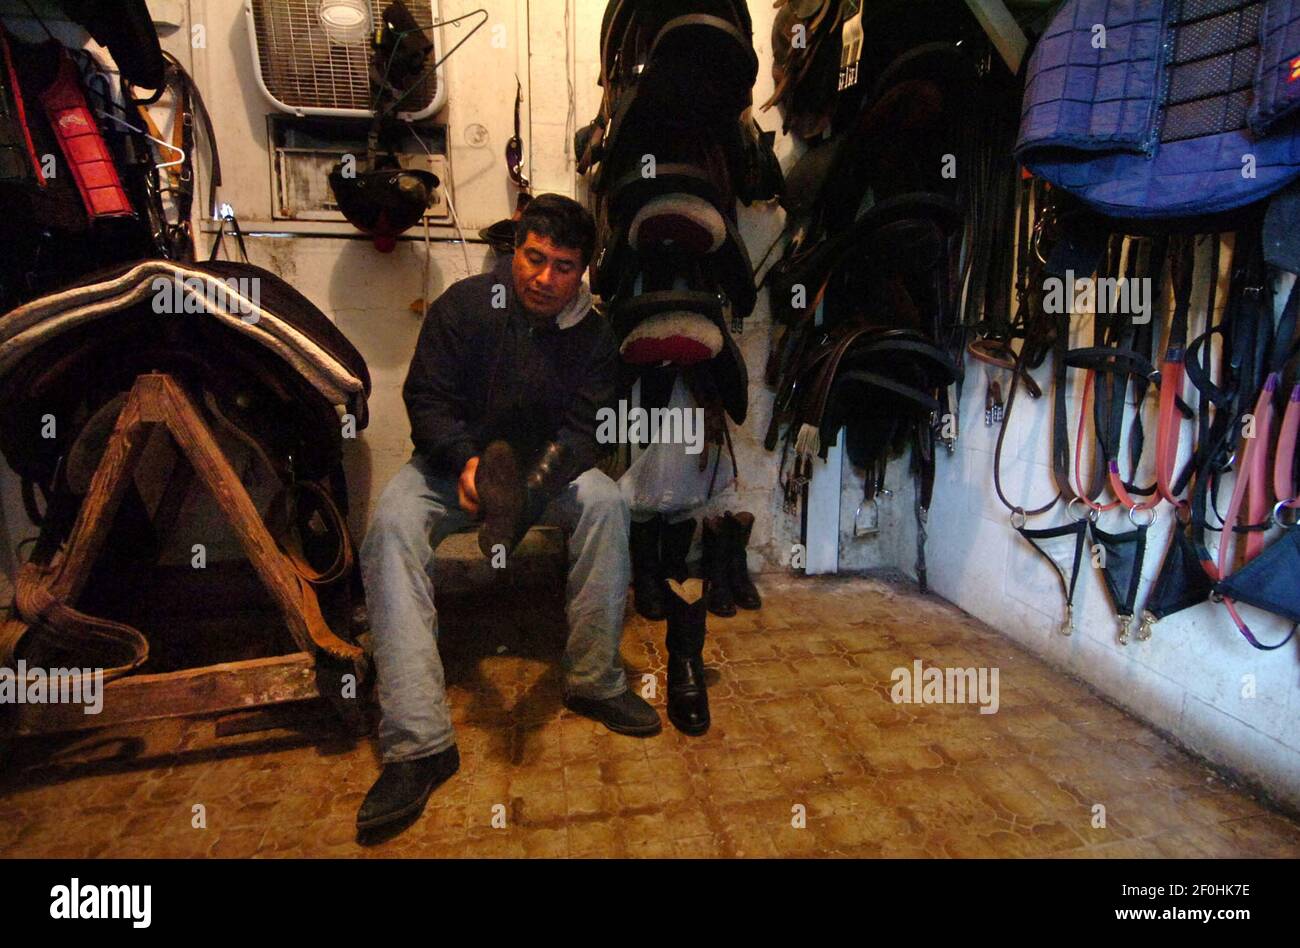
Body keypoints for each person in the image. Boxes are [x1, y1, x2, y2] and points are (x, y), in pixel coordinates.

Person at [356, 194, 660, 833]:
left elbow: (587, 431)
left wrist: (529, 490)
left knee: (607, 503)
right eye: (535, 258)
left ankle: (594, 682)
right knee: (389, 525)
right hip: (453, 468)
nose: (546, 279)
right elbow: (427, 398)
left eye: (565, 266)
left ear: (584, 272)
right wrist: (465, 463)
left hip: (544, 471)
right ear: (515, 247)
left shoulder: (595, 336)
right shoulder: (463, 307)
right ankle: (420, 743)